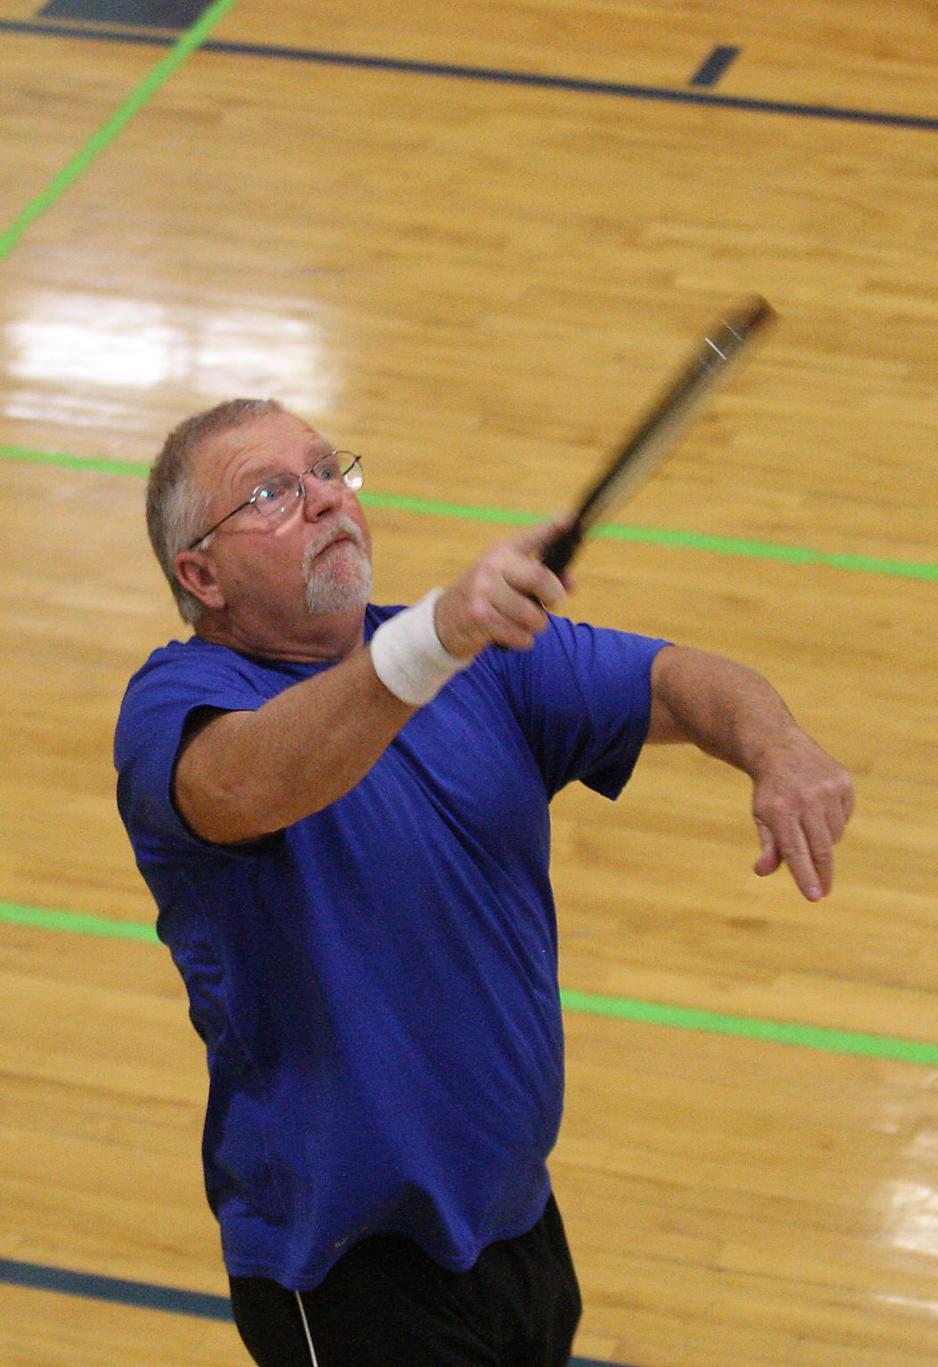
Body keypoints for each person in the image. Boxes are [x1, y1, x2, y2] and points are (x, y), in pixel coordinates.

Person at [114, 397, 855, 1367]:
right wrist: (432, 639)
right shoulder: (179, 705)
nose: (326, 499)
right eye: (271, 492)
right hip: (343, 1267)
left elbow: (678, 678)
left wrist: (778, 745)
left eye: (328, 469)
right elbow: (250, 781)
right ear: (199, 573)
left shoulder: (482, 670)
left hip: (514, 1218)